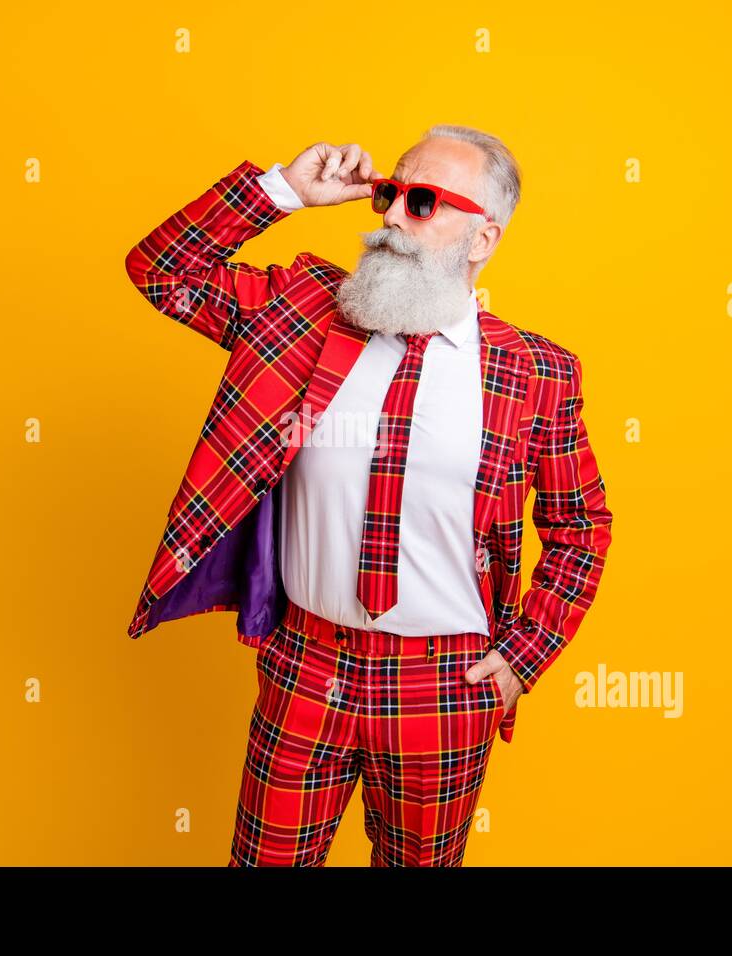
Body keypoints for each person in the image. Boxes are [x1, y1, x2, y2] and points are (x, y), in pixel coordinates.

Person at [123, 125, 614, 866]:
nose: (389, 215)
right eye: (390, 193)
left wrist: (523, 657)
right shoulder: (301, 311)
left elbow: (582, 526)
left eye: (421, 202)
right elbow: (161, 270)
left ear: (481, 239)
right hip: (307, 667)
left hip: (445, 686)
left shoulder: (536, 373)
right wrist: (286, 190)